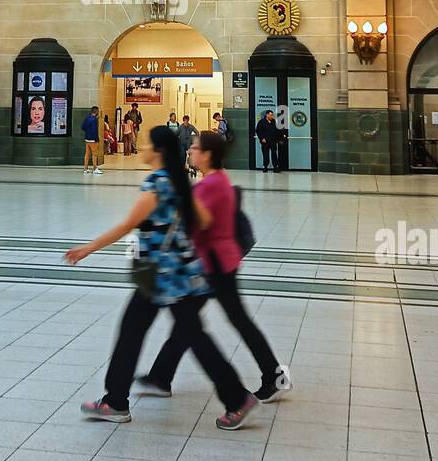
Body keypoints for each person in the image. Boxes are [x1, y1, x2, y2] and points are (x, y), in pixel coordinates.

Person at [66, 125, 258, 430]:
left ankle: (118, 401)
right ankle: (117, 400)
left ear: (157, 151)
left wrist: (89, 248)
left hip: (159, 276)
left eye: (145, 143)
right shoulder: (179, 181)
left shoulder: (156, 184)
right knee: (180, 334)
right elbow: (205, 219)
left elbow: (126, 225)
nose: (141, 147)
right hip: (181, 271)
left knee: (150, 333)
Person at [137, 130, 292, 403]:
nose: (191, 151)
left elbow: (193, 222)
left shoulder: (209, 186)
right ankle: (161, 376)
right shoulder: (218, 180)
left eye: (195, 148)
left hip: (215, 264)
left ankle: (271, 375)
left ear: (207, 155)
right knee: (192, 321)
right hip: (217, 261)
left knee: (205, 321)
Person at [81, 105, 103, 175]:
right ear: (96, 112)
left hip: (87, 138)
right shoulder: (94, 120)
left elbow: (82, 127)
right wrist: (96, 139)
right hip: (93, 139)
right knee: (94, 154)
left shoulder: (87, 118)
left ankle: (85, 168)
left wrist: (87, 132)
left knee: (87, 154)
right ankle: (95, 168)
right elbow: (94, 130)